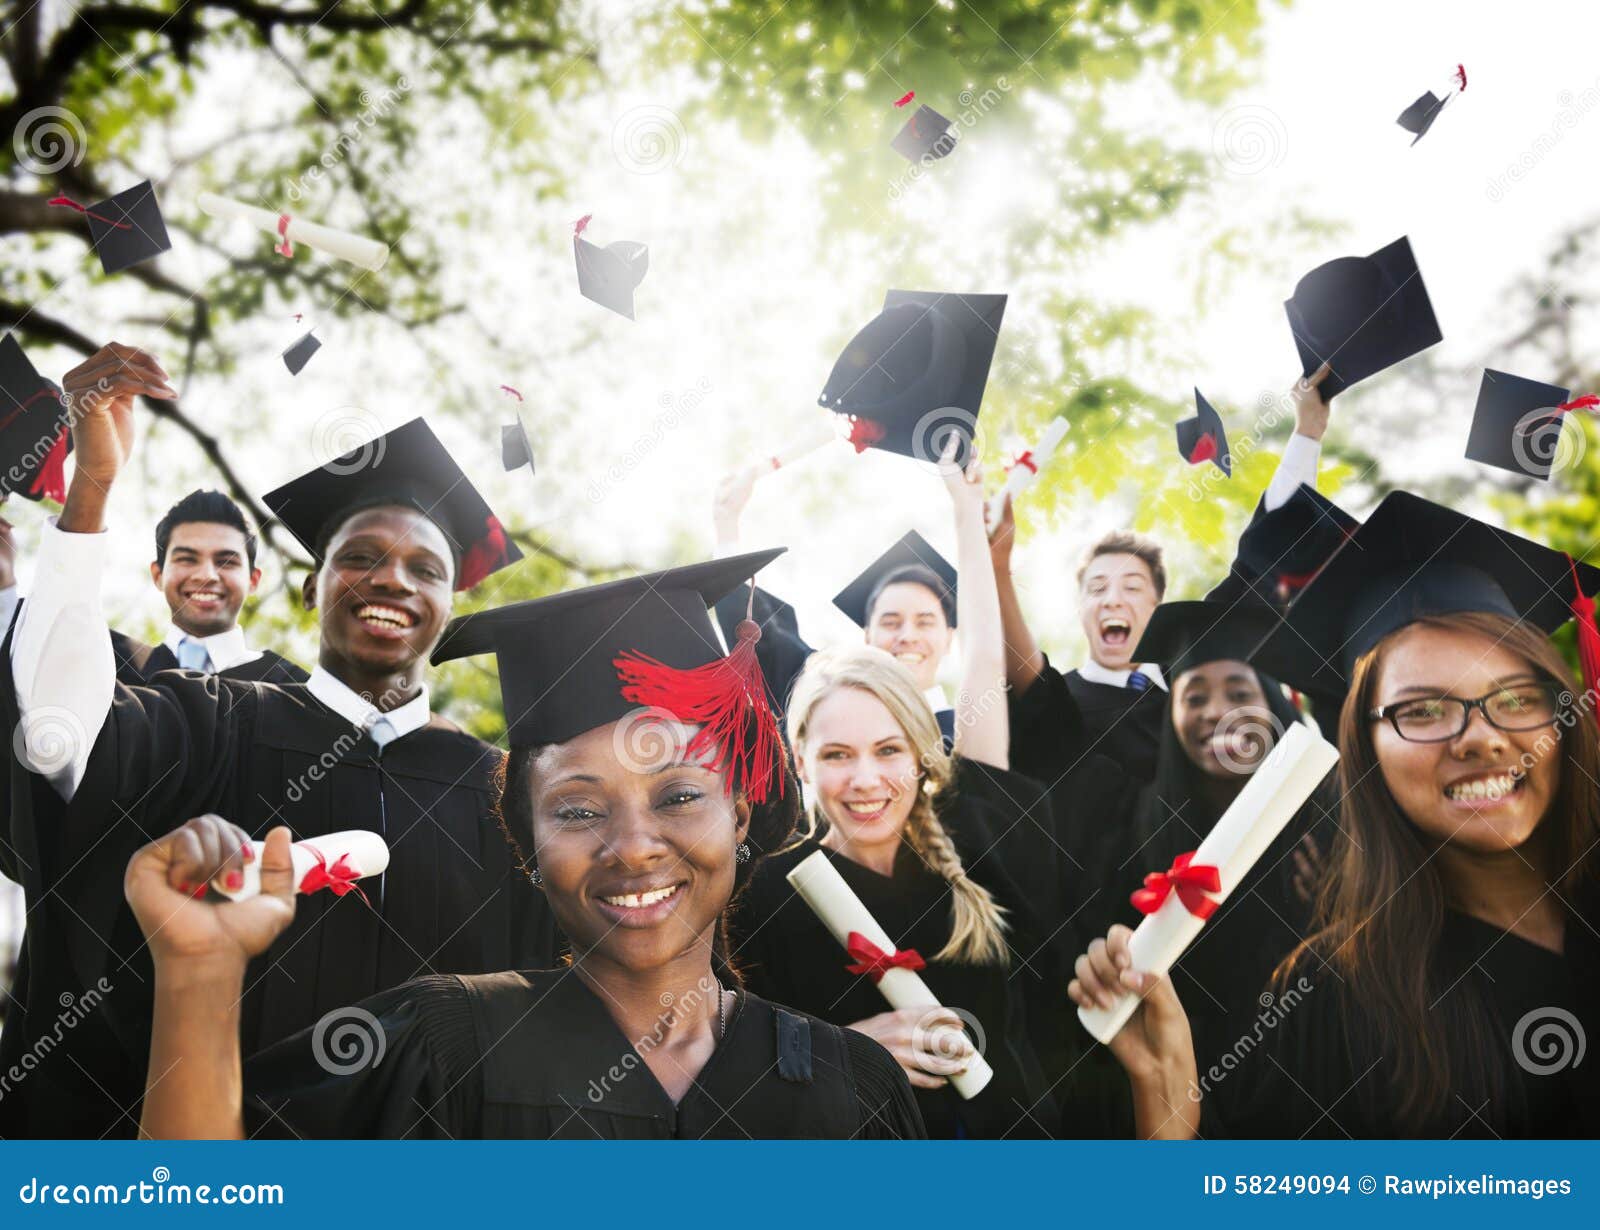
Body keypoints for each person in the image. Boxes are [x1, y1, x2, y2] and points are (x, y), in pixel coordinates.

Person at [128, 554, 925, 1140]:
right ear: (527, 842)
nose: (634, 845)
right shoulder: (438, 1046)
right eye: (578, 811)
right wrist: (199, 976)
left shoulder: (856, 1091)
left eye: (679, 796)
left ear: (741, 815)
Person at [0, 342, 543, 1138]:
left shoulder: (501, 792)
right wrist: (92, 486)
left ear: (447, 606)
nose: (391, 579)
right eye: (359, 558)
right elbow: (58, 734)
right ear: (307, 586)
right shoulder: (211, 720)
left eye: (425, 569)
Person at [1076, 491, 1600, 1138]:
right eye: (1423, 710)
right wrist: (1169, 1097)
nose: (1481, 738)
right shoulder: (1329, 1005)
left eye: (1516, 698)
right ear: (1362, 750)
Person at [729, 452, 1094, 1137]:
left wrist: (965, 504)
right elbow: (733, 1070)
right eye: (837, 756)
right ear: (801, 762)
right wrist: (847, 1050)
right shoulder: (763, 896)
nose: (866, 780)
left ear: (924, 757)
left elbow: (987, 664)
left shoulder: (976, 845)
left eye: (889, 751)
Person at [992, 365, 1334, 787]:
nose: (1112, 599)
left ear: (1157, 607)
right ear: (1081, 611)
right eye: (1096, 588)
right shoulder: (1064, 703)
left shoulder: (1199, 670)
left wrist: (1307, 433)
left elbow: (1260, 566)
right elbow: (1024, 675)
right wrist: (992, 565)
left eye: (1132, 586)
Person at [712, 465, 961, 744]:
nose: (907, 636)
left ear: (949, 639)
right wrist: (727, 530)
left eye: (924, 622)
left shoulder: (970, 740)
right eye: (890, 622)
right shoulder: (824, 691)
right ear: (868, 636)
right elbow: (763, 641)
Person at [109, 489, 307, 684]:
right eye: (187, 559)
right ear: (158, 575)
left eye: (227, 561)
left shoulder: (291, 687)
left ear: (253, 580)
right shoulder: (114, 671)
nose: (207, 576)